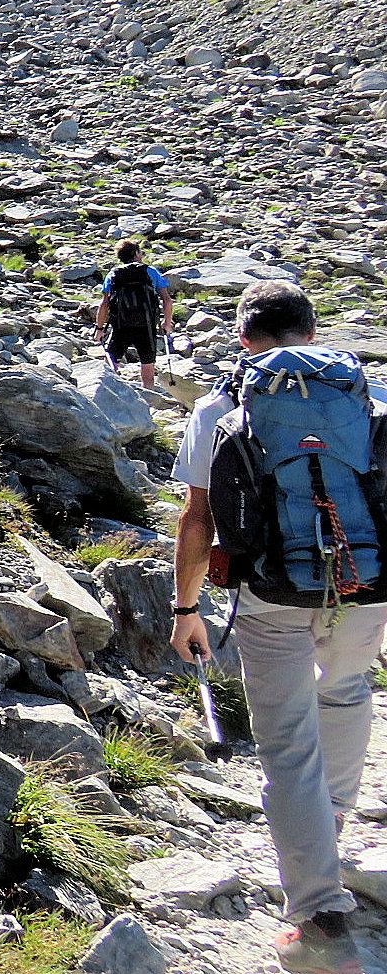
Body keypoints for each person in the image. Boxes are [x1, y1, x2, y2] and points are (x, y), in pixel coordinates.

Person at [171, 281, 386, 974]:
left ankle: (320, 916)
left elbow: (198, 519)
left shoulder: (219, 405)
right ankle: (329, 826)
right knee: (348, 692)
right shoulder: (364, 393)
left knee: (289, 744)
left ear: (244, 337)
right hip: (367, 582)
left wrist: (186, 609)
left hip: (271, 596)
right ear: (313, 329)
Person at [93, 239, 173, 388]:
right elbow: (167, 300)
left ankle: (108, 392)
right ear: (136, 253)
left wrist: (99, 328)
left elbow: (104, 303)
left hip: (121, 325)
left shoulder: (113, 274)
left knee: (110, 363)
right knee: (148, 368)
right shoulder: (150, 271)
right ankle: (149, 399)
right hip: (146, 324)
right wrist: (167, 323)